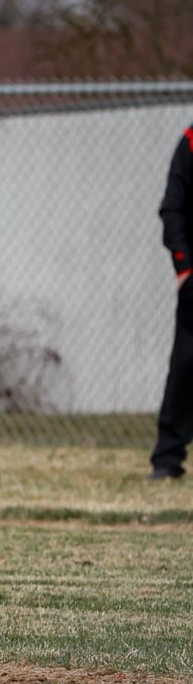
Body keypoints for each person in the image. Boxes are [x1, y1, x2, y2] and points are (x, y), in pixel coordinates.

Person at [151, 122, 193, 480]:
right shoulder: (191, 141)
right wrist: (183, 268)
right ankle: (167, 458)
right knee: (185, 365)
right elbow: (172, 209)